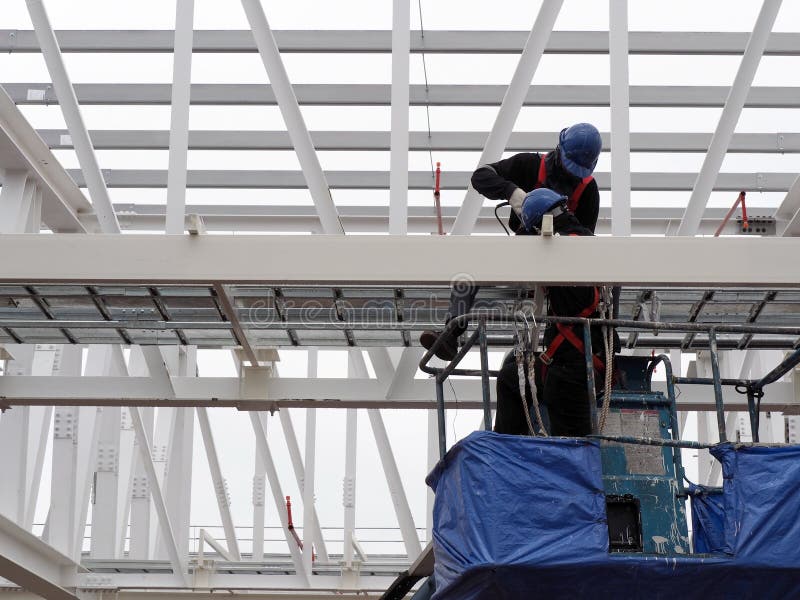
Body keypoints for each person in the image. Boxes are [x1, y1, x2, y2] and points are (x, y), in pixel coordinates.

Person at [420, 123, 603, 361]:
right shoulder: (528, 166)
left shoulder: (588, 190)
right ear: (559, 150)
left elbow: (585, 246)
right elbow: (481, 176)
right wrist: (510, 190)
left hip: (560, 263)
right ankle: (451, 332)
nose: (570, 175)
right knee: (471, 266)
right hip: (521, 250)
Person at [492, 187, 617, 437]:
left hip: (572, 370)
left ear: (540, 227)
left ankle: (509, 457)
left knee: (572, 447)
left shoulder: (555, 249)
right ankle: (509, 451)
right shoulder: (589, 243)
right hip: (579, 360)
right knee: (510, 379)